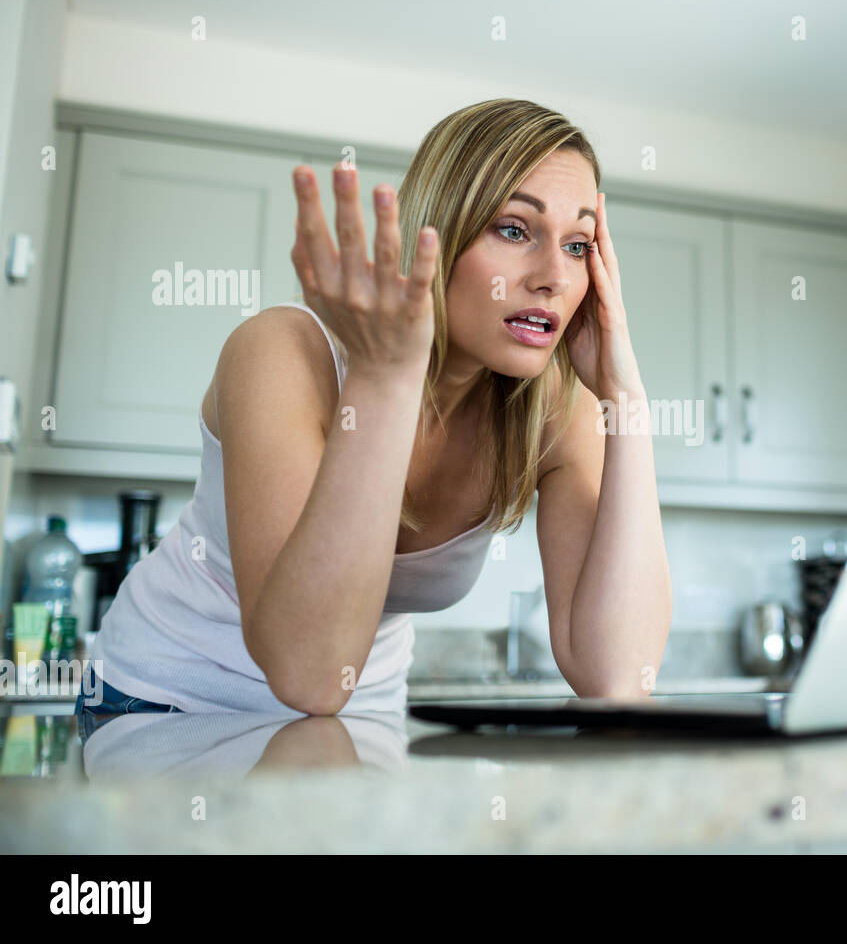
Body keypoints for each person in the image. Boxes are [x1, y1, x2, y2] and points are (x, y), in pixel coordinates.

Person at [76, 97, 672, 733]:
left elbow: (617, 677)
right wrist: (386, 375)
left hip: (356, 718)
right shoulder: (285, 352)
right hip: (165, 703)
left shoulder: (553, 410)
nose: (554, 275)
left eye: (579, 244)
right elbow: (307, 671)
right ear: (435, 237)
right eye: (515, 230)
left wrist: (625, 398)